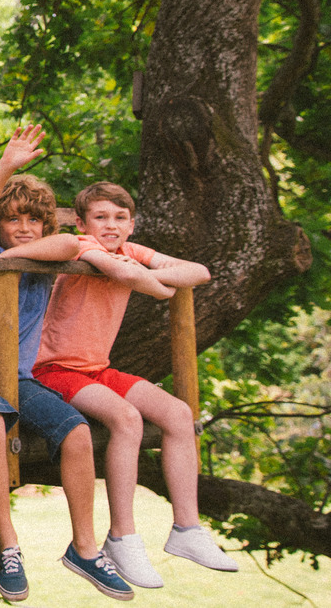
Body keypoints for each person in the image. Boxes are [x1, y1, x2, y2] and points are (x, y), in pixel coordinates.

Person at [0, 125, 131, 601]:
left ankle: (84, 548)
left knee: (78, 432)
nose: (24, 227)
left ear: (45, 225)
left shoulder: (42, 256)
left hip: (17, 378)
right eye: (14, 220)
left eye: (34, 220)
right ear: (1, 226)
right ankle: (9, 543)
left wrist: (15, 260)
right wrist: (6, 164)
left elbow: (68, 244)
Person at [30, 180, 237, 589]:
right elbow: (130, 276)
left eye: (120, 218)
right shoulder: (80, 245)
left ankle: (187, 530)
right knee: (126, 418)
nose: (111, 225)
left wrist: (153, 275)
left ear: (132, 224)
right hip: (52, 369)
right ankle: (122, 537)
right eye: (101, 217)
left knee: (178, 414)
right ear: (83, 221)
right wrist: (159, 282)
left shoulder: (130, 250)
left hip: (97, 368)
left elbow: (200, 272)